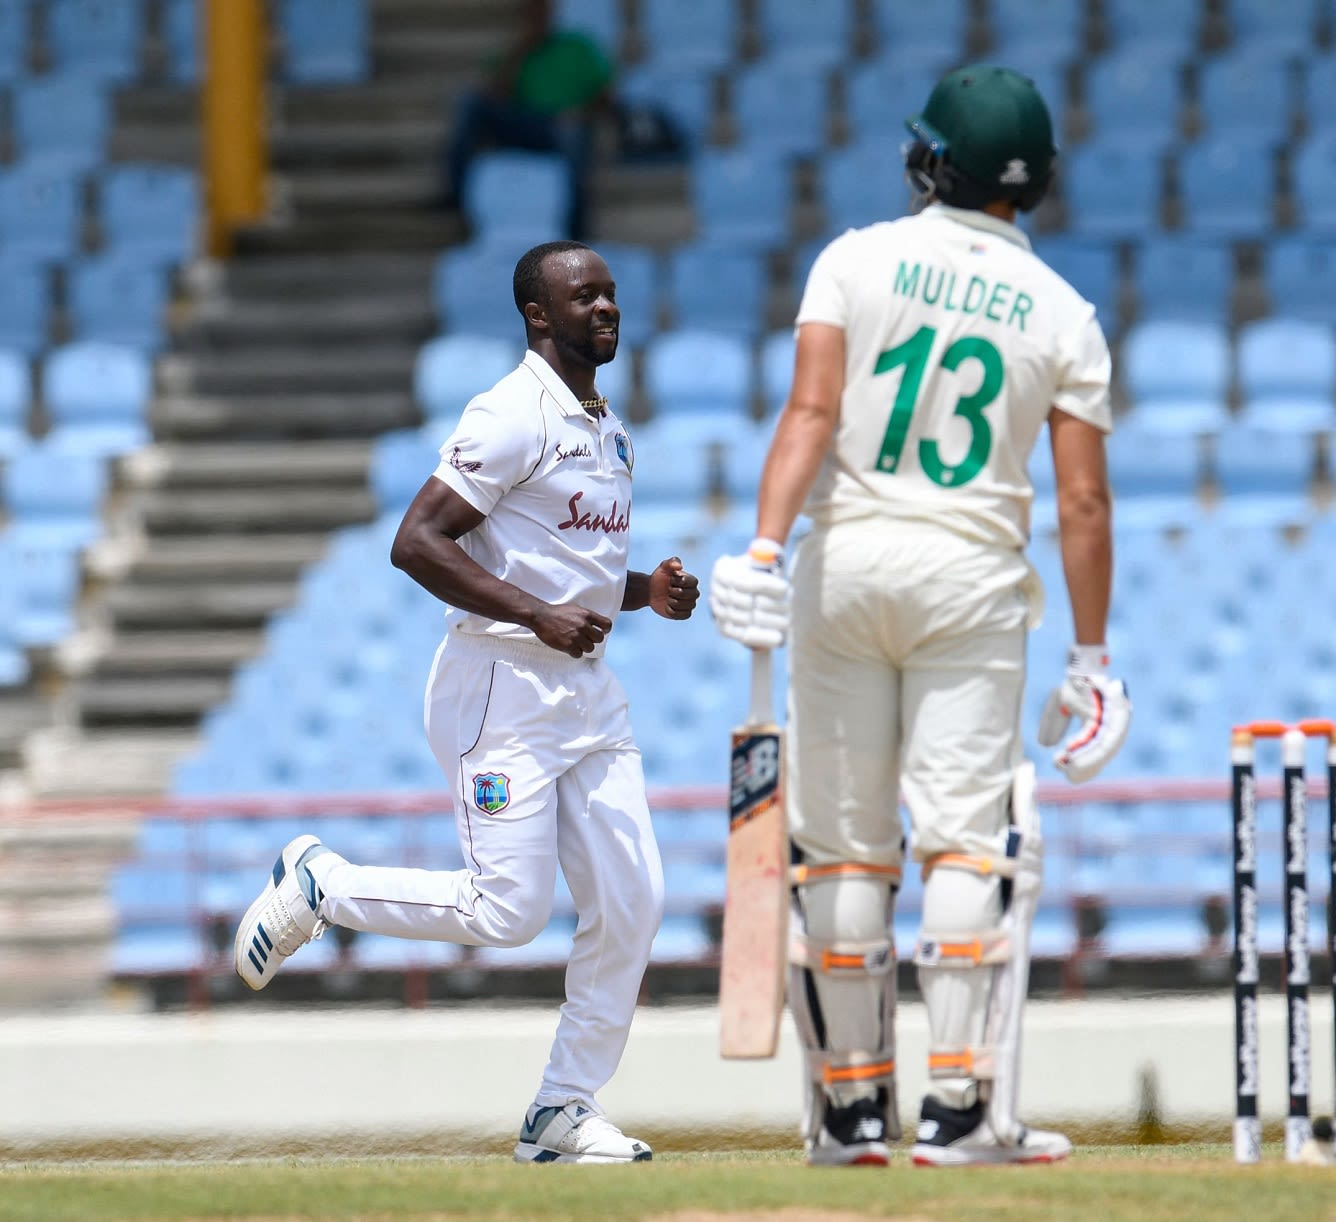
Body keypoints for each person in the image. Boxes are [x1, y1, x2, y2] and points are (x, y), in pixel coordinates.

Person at [709, 65, 1131, 1168]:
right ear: (1033, 182)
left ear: (925, 160)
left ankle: (849, 1115)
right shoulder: (1062, 314)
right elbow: (1081, 500)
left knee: (845, 851)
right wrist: (1090, 654)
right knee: (960, 838)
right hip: (968, 581)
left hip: (840, 565)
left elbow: (808, 411)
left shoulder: (852, 258)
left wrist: (760, 545)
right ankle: (957, 1111)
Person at [233, 239, 700, 1165]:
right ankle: (326, 884)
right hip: (501, 688)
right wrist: (535, 616)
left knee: (635, 897)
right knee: (507, 914)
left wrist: (644, 591)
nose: (606, 309)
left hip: (586, 694)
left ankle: (563, 1110)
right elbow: (416, 542)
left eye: (611, 295)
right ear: (538, 314)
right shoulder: (509, 414)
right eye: (585, 298)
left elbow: (567, 567)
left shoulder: (606, 424)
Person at [443, 0, 614, 238]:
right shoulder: (513, 50)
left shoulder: (578, 45)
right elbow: (493, 93)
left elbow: (607, 96)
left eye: (542, 10)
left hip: (563, 125)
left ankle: (577, 224)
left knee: (571, 131)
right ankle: (455, 195)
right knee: (470, 103)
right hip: (523, 123)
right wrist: (521, 51)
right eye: (531, 11)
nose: (538, 17)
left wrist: (579, 111)